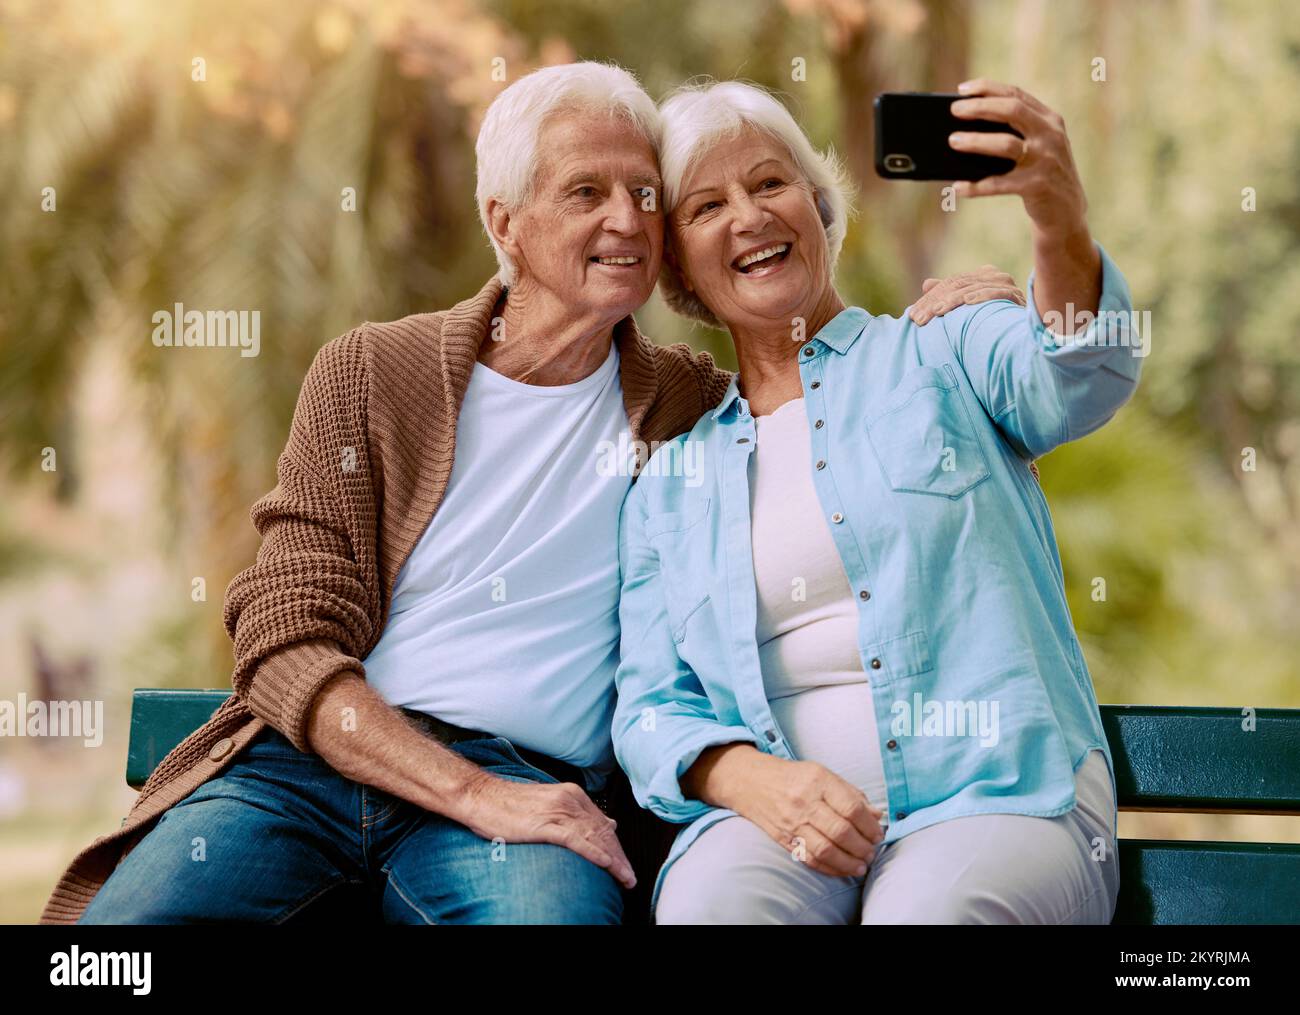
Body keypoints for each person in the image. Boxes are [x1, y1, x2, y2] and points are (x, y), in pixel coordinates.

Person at [41, 63, 1014, 925]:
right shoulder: (375, 373)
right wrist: (468, 793)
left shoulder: (689, 409)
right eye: (585, 191)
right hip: (310, 770)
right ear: (504, 222)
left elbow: (835, 406)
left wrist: (953, 332)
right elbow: (285, 635)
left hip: (532, 784)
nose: (628, 220)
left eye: (643, 192)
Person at [612, 78, 1141, 924]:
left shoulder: (948, 347)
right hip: (783, 831)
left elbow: (1083, 377)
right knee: (711, 907)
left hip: (998, 796)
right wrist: (752, 779)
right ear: (676, 265)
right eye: (707, 205)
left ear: (820, 208)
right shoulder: (672, 479)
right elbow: (648, 707)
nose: (749, 216)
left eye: (770, 183)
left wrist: (1057, 217)